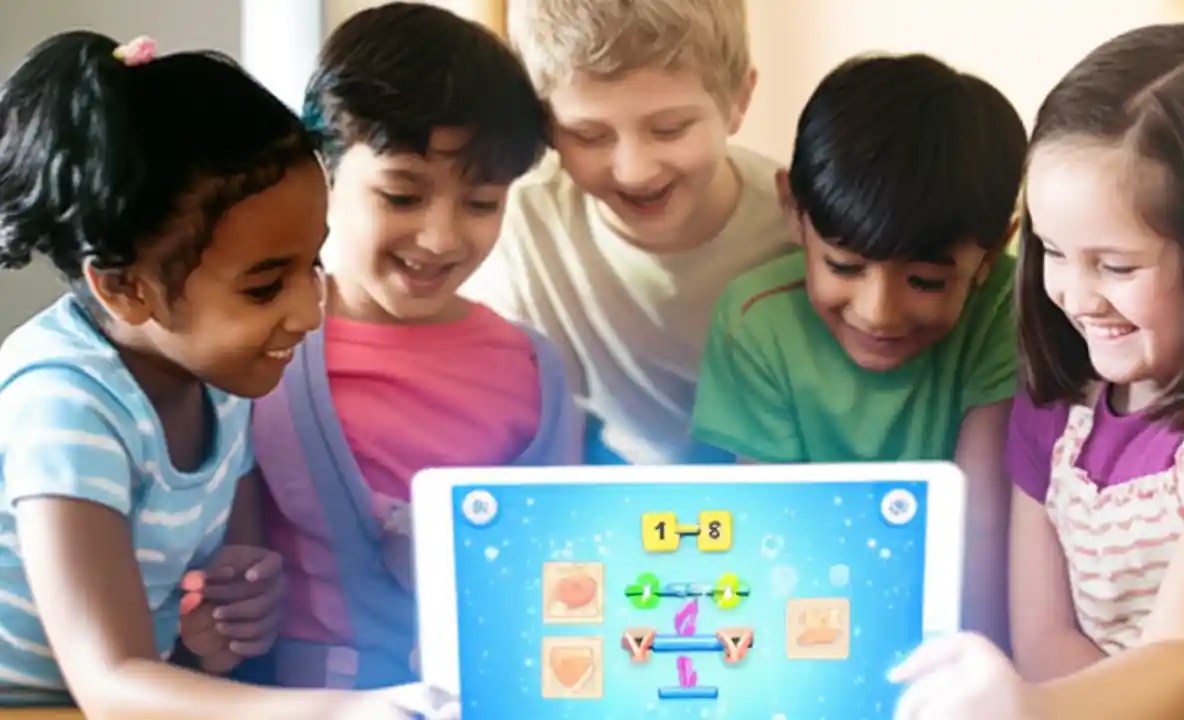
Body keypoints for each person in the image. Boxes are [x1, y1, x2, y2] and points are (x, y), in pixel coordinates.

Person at [0, 31, 419, 719]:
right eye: (264, 288)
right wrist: (342, 710)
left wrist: (232, 613)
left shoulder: (222, 380)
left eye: (312, 264)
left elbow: (221, 607)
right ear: (124, 288)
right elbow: (110, 682)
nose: (309, 312)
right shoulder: (64, 404)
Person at [891, 24, 1184, 720]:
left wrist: (1038, 709)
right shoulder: (1053, 409)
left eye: (1118, 266)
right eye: (1052, 251)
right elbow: (1042, 641)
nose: (1074, 294)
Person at [249, 3, 576, 691]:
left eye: (482, 203)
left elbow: (562, 575)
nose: (440, 238)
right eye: (402, 196)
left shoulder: (534, 373)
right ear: (324, 171)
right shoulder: (261, 351)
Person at [692, 53, 1025, 646]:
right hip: (808, 610)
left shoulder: (1006, 305)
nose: (879, 313)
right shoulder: (755, 319)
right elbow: (775, 528)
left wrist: (976, 666)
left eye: (925, 281)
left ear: (995, 248)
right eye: (844, 266)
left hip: (962, 614)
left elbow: (982, 518)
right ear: (794, 213)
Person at [461, 0, 792, 464]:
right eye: (590, 136)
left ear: (739, 100)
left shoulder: (799, 231)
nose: (634, 172)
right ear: (547, 127)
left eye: (670, 129)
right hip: (606, 483)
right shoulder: (523, 227)